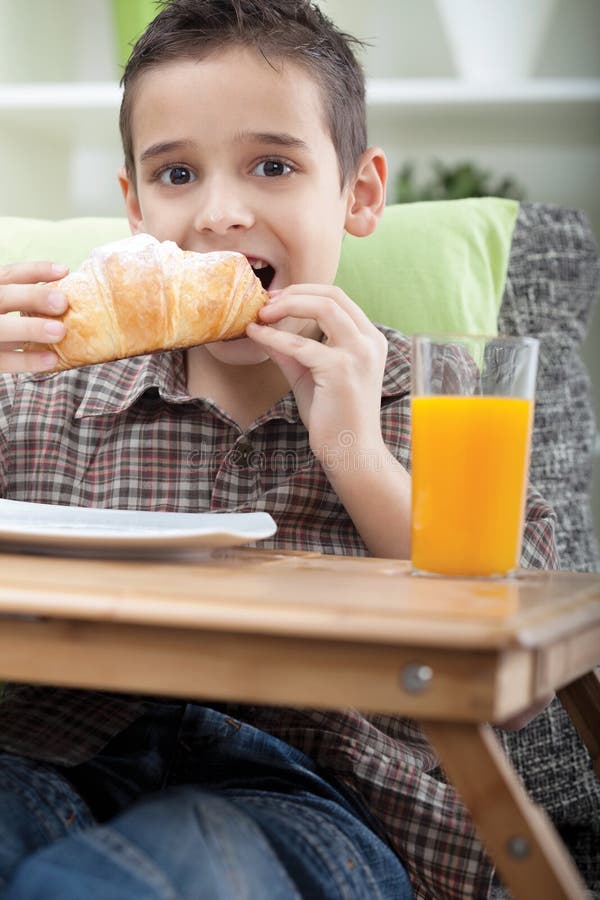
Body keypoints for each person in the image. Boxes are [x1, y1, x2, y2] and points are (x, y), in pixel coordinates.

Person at [0, 1, 559, 898]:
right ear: (134, 208)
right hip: (56, 753)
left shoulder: (446, 390)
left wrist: (357, 453)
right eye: (177, 173)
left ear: (360, 194)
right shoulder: (42, 393)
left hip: (316, 793)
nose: (222, 212)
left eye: (272, 164)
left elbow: (527, 672)